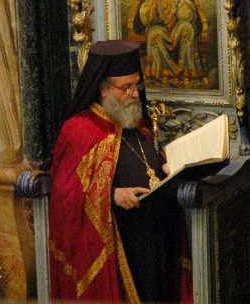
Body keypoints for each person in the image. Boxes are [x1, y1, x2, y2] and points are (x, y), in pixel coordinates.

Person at [49, 39, 191, 303]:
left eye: (137, 85)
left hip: (156, 237)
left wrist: (168, 168)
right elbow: (64, 195)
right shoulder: (79, 129)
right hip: (122, 243)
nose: (135, 94)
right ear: (103, 89)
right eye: (126, 88)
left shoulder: (134, 121)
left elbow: (149, 163)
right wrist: (112, 195)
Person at [132, 0, 203, 84]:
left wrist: (184, 8)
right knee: (155, 34)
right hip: (159, 24)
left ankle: (186, 71)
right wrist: (151, 9)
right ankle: (164, 72)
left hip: (176, 24)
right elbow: (147, 6)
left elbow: (184, 6)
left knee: (188, 29)